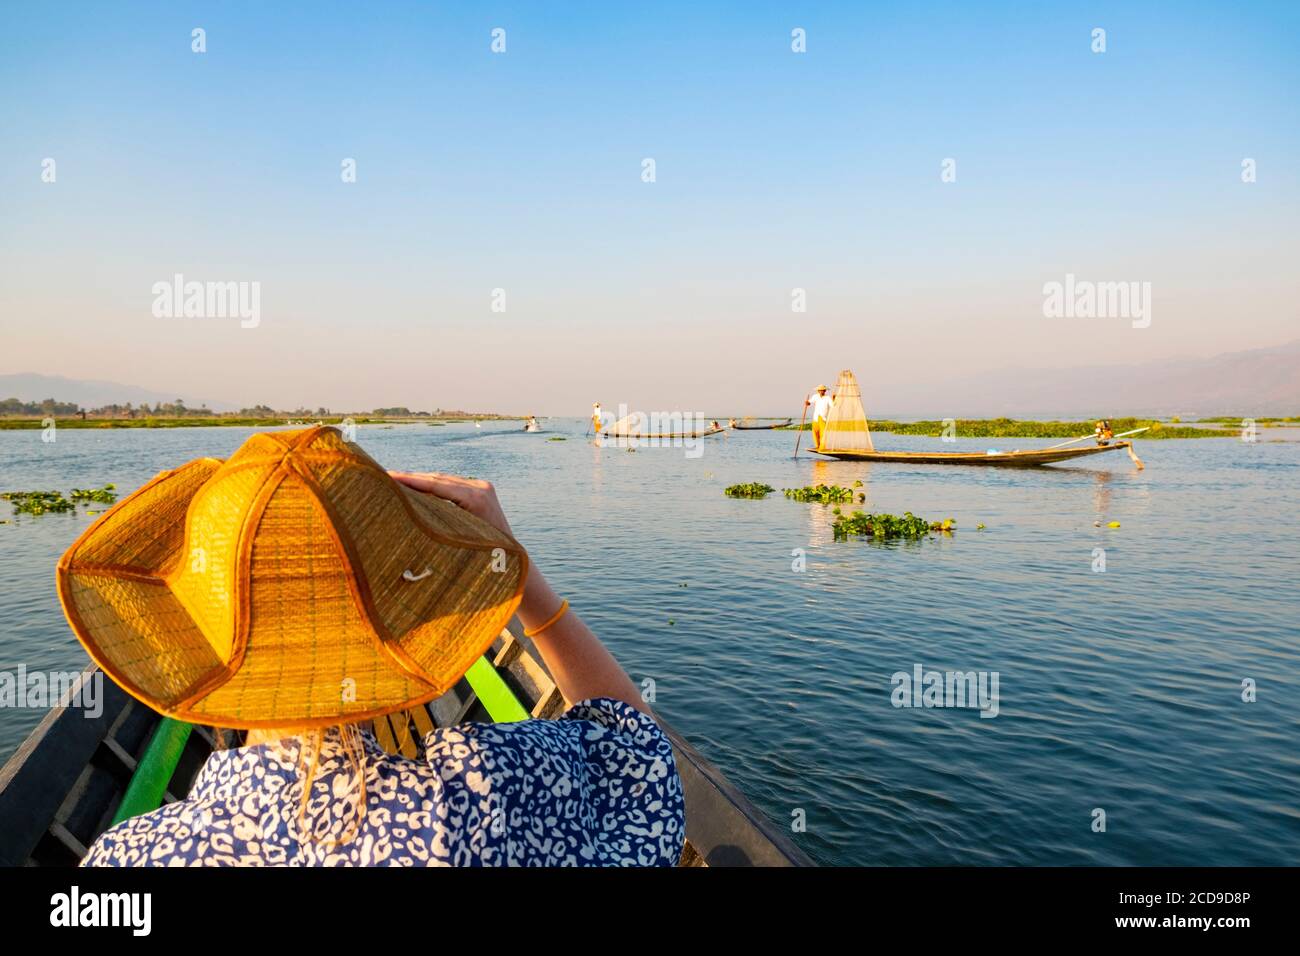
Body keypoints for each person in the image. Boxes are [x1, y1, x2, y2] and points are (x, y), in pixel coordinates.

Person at [67, 426, 684, 867]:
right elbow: (634, 754)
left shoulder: (132, 859)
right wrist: (528, 585)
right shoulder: (484, 798)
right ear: (390, 624)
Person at [805, 383, 834, 450]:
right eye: (820, 390)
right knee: (815, 432)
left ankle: (822, 446)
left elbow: (832, 406)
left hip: (823, 418)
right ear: (818, 391)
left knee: (823, 433)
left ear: (825, 391)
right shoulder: (815, 396)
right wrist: (807, 403)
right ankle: (817, 446)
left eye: (823, 390)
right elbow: (809, 402)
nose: (821, 391)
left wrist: (834, 399)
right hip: (815, 417)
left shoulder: (828, 398)